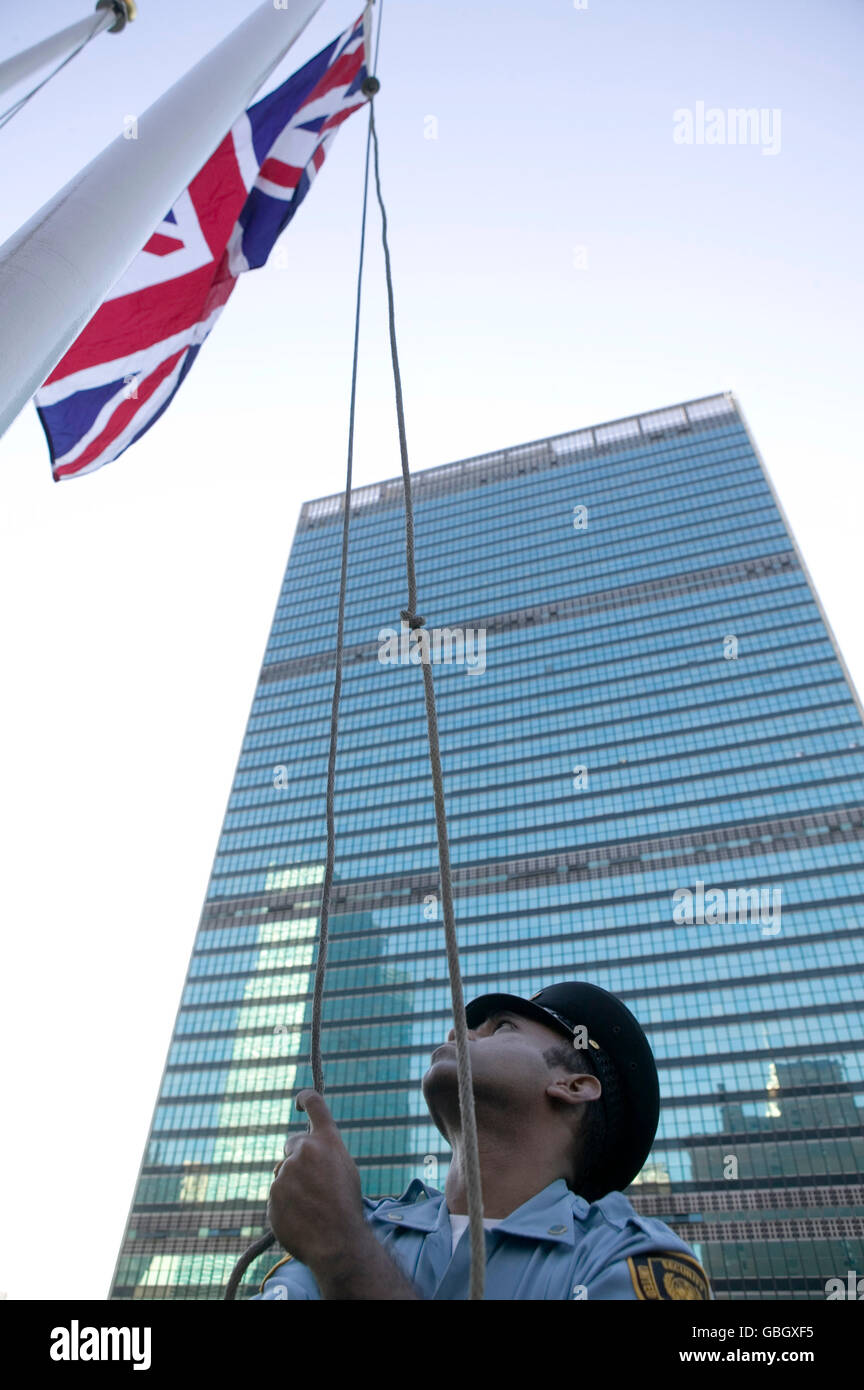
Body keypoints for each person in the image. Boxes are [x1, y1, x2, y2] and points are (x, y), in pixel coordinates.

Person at [249, 981, 713, 1300]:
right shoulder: (355, 1221)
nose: (458, 1032)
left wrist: (342, 1253)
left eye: (503, 1027)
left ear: (572, 1086)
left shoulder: (625, 1258)